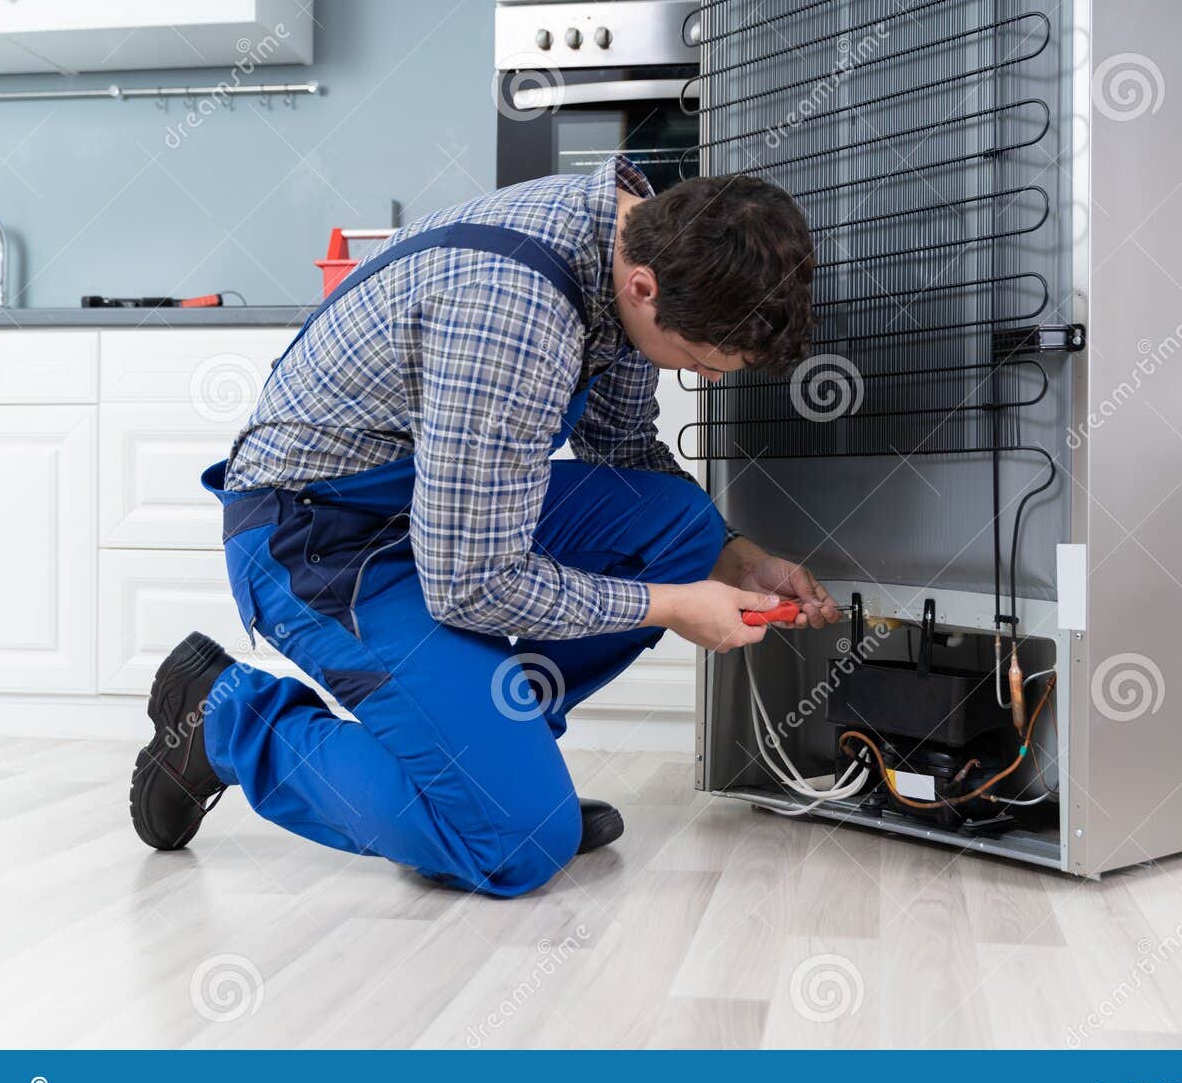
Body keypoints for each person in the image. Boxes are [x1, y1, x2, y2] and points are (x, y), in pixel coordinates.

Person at [128, 156, 836, 897]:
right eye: (700, 362)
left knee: (681, 530)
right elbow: (472, 584)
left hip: (438, 517)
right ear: (643, 289)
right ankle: (227, 721)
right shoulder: (515, 315)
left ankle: (490, 764)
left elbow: (623, 450)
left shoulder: (635, 236)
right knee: (518, 844)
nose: (711, 379)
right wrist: (674, 606)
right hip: (320, 539)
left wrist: (733, 556)